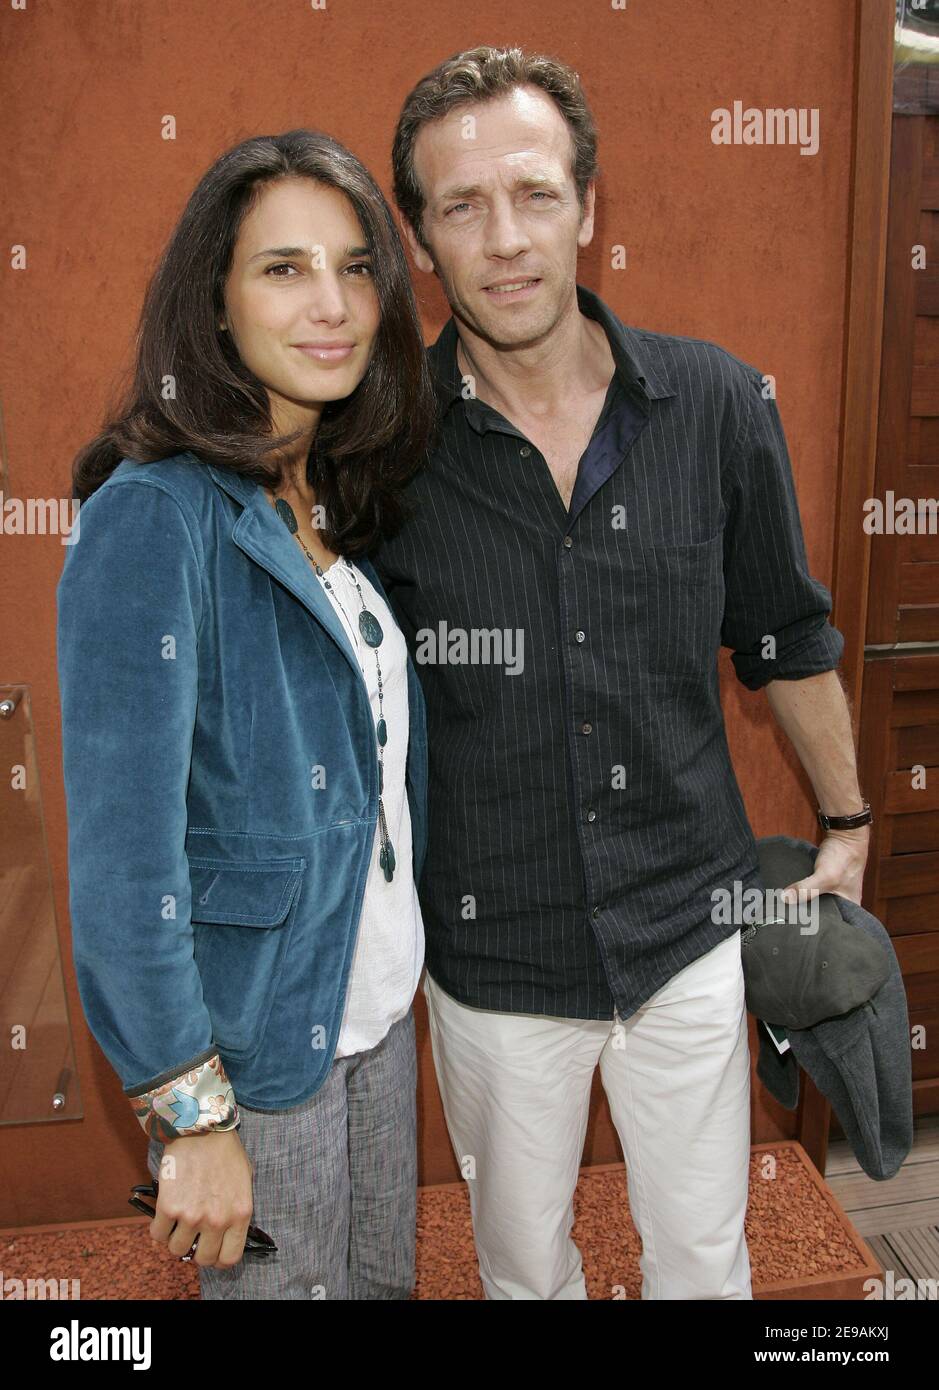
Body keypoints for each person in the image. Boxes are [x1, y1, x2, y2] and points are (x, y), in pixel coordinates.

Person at [372, 45, 872, 1300]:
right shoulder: (382, 449)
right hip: (493, 959)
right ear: (421, 241)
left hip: (688, 933)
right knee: (521, 1271)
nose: (507, 239)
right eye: (462, 206)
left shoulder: (713, 403)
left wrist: (849, 820)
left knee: (706, 1261)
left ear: (590, 206)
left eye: (536, 194)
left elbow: (786, 635)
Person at [56, 128, 436, 1299]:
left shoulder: (331, 497)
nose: (331, 303)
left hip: (371, 1016)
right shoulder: (153, 516)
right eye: (282, 268)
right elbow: (124, 856)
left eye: (356, 265)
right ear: (214, 305)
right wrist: (191, 1111)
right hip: (257, 1061)